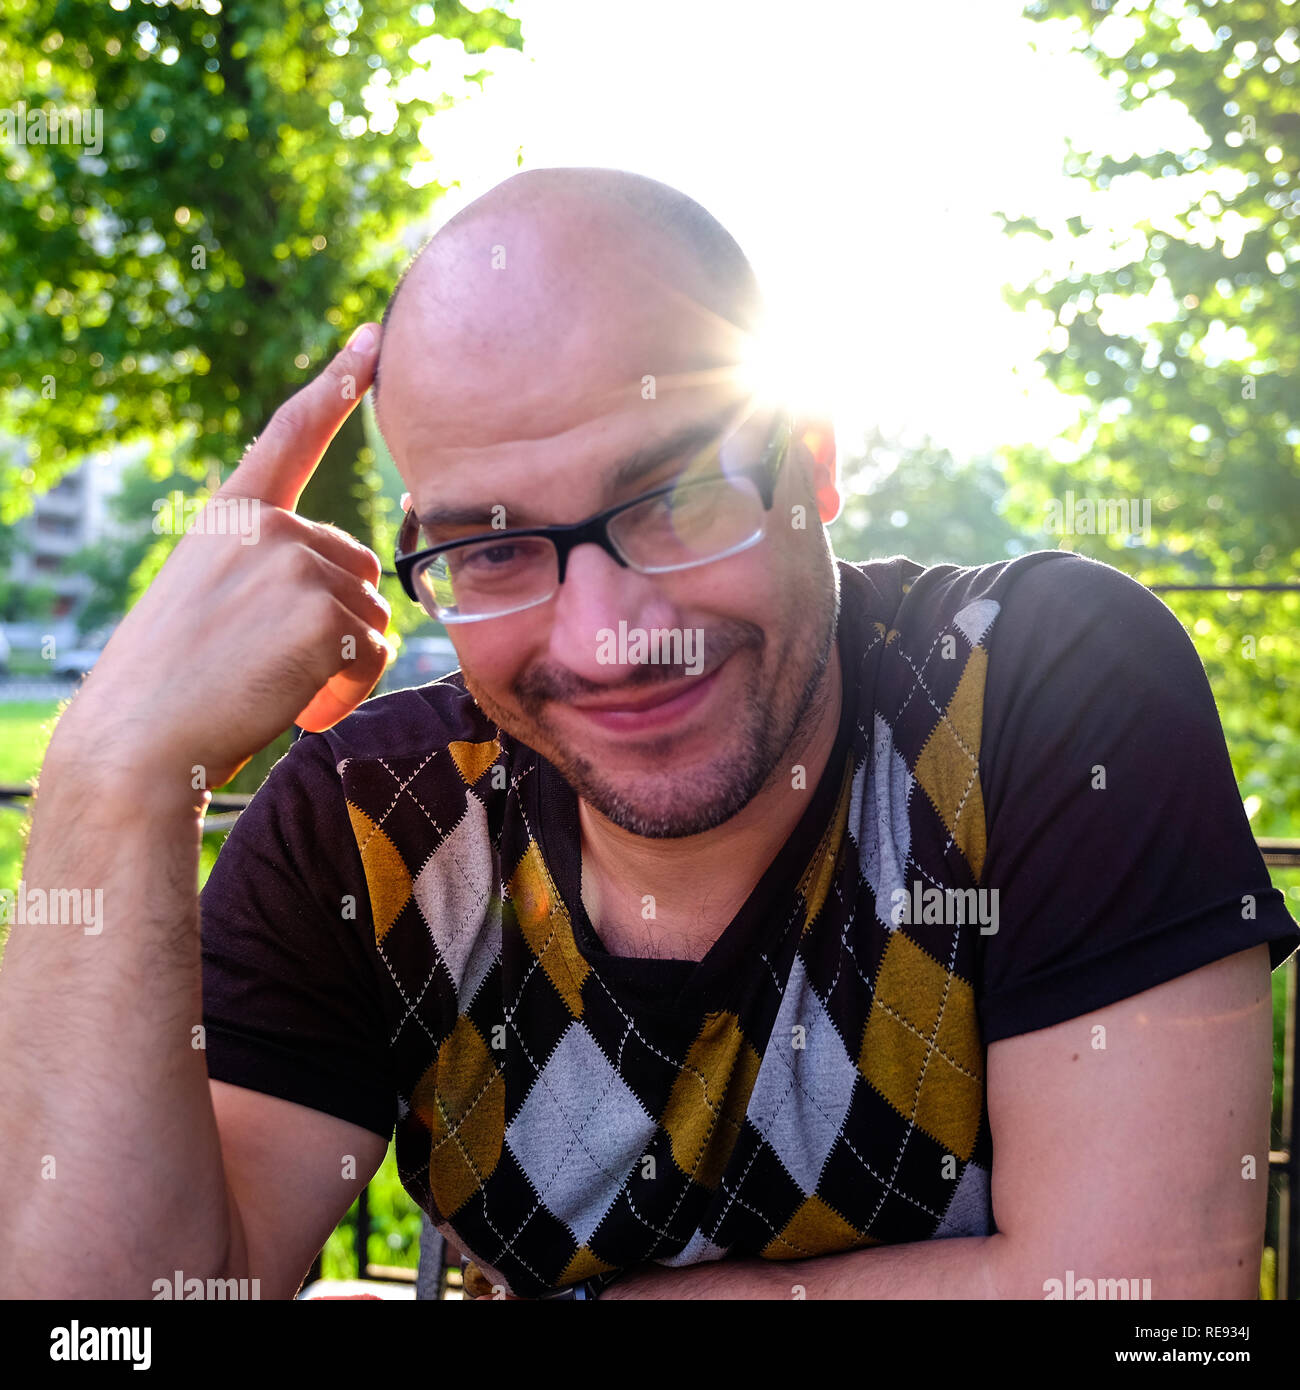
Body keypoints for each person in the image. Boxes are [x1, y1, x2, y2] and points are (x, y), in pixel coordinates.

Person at [2, 167, 1296, 1302]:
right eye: (495, 545)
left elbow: (1155, 1306)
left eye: (677, 493)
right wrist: (109, 777)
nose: (612, 636)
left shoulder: (1047, 692)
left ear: (815, 458)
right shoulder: (370, 832)